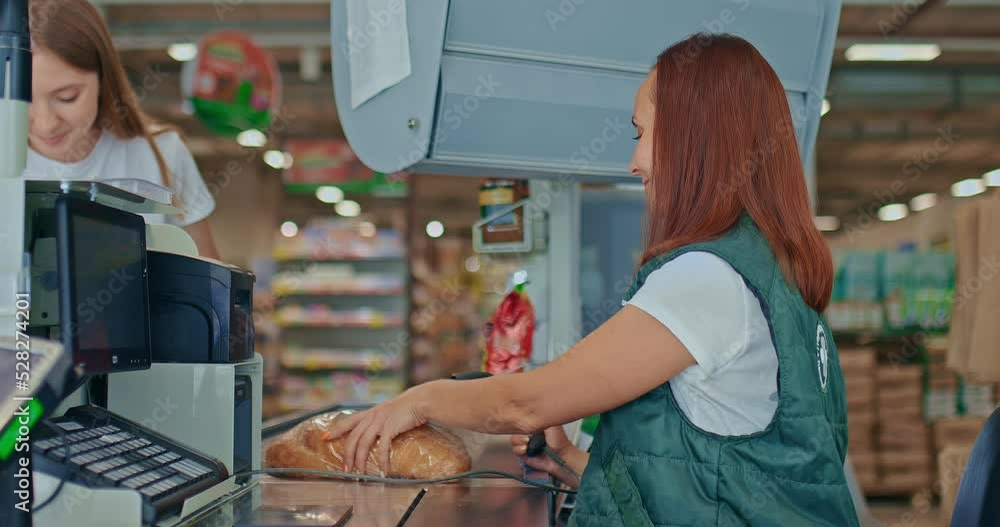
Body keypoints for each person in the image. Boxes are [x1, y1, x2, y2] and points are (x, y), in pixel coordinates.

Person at [326, 34, 859, 526]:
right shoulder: (774, 278)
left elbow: (523, 404)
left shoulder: (708, 277)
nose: (633, 162)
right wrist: (575, 463)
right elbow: (721, 485)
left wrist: (420, 400)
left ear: (693, 136)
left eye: (642, 133)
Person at [24, 0, 221, 259]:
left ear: (104, 79)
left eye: (67, 97)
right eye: (22, 100)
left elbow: (210, 290)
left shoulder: (162, 152)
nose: (45, 123)